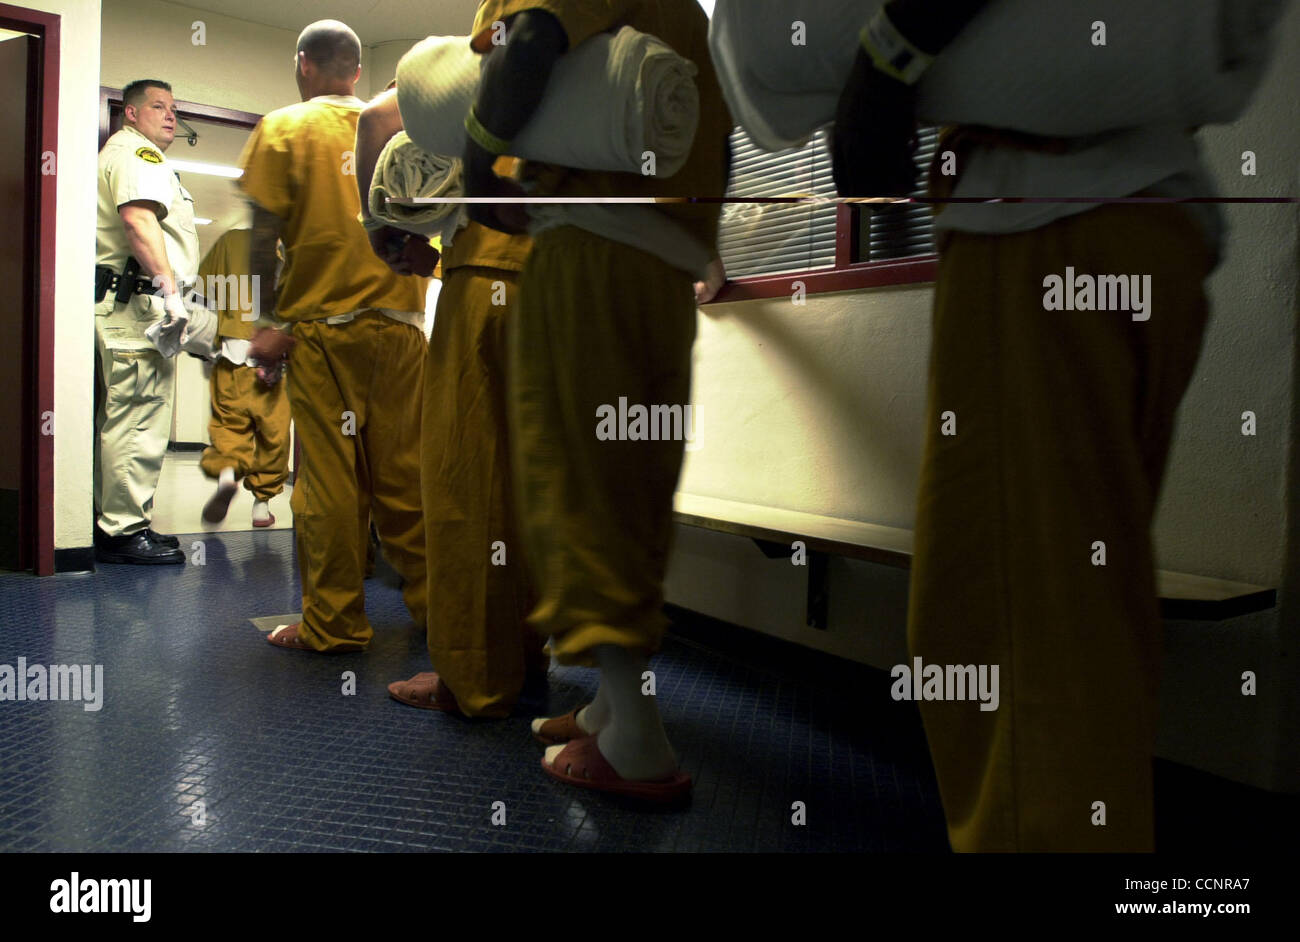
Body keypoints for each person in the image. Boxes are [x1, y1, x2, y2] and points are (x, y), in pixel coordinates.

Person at [828, 0, 1287, 851]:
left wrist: (887, 55)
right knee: (1077, 617)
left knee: (999, 639)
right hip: (1146, 224)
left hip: (1045, 223)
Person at [464, 0, 730, 800]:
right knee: (635, 489)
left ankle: (638, 740)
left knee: (577, 487)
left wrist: (478, 164)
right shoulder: (689, 17)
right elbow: (717, 145)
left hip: (587, 251)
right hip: (665, 270)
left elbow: (531, 38)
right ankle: (614, 706)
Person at [241, 20, 433, 653]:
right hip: (403, 329)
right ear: (355, 70)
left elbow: (261, 235)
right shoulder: (401, 126)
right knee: (407, 482)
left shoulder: (284, 129)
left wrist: (268, 322)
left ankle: (335, 624)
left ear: (303, 64)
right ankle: (447, 616)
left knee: (328, 484)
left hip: (323, 333)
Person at [356, 88, 547, 718]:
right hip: (567, 278)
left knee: (466, 484)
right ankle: (526, 654)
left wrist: (379, 225)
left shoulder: (494, 50)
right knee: (531, 486)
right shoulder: (609, 53)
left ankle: (474, 677)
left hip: (487, 277)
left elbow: (377, 116)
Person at [94, 79, 201, 565]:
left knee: (130, 417)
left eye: (174, 108)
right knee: (137, 418)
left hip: (130, 303)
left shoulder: (126, 154)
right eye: (158, 106)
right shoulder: (139, 155)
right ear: (131, 113)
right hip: (135, 307)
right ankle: (121, 532)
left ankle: (123, 521)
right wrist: (171, 294)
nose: (171, 115)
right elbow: (139, 221)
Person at [198, 211, 292, 529]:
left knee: (228, 427)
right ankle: (261, 507)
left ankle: (227, 477)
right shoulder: (292, 247)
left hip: (231, 354)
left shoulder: (230, 241)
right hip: (273, 359)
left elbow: (202, 292)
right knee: (273, 436)